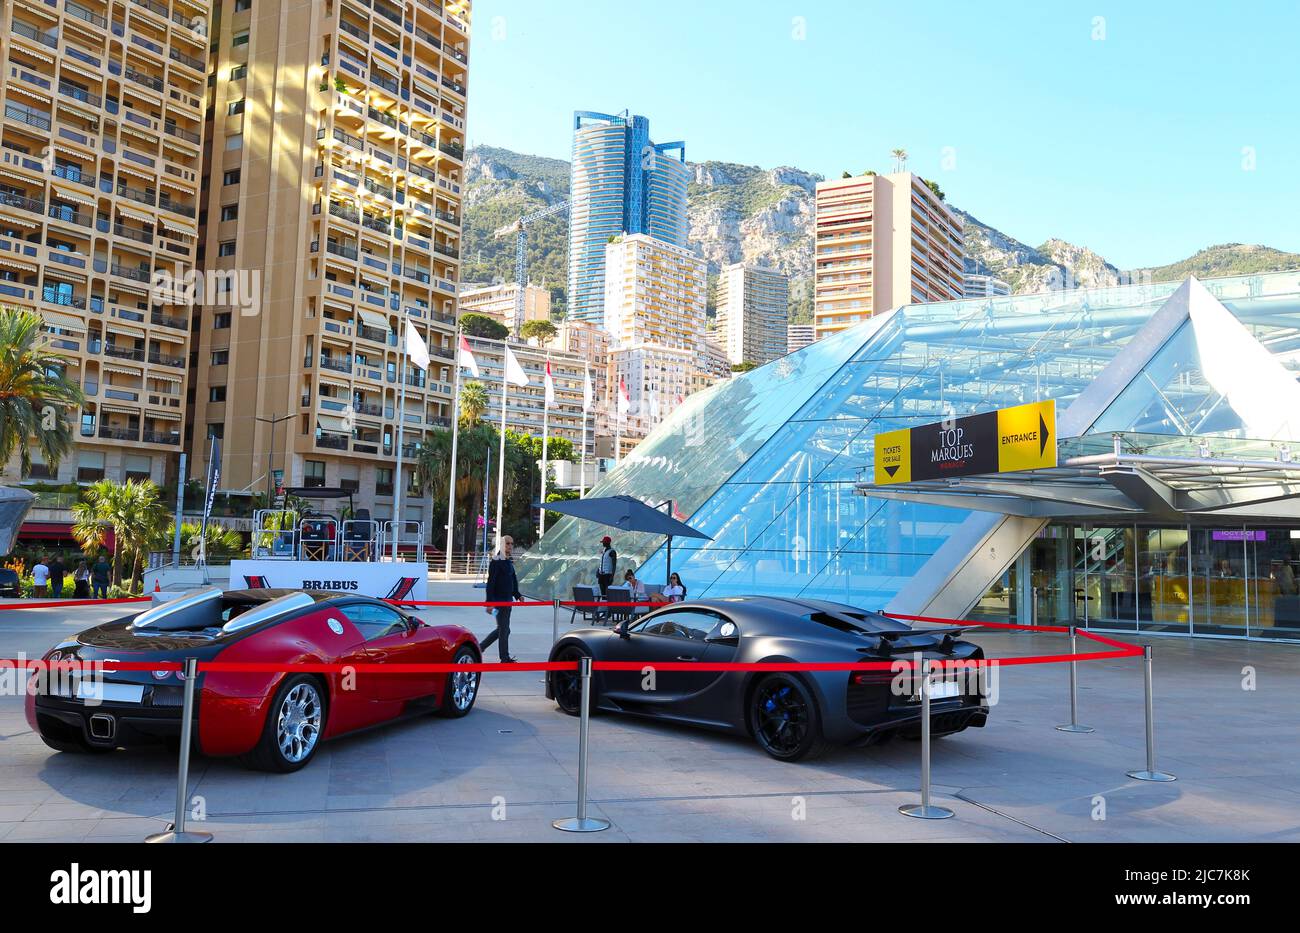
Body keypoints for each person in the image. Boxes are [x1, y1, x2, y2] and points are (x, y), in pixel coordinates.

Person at [482, 535, 523, 663]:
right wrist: (489, 603)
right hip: (498, 602)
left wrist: (517, 595)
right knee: (504, 629)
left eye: (511, 543)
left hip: (508, 601)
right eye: (507, 543)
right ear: (501, 545)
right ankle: (504, 657)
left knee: (503, 629)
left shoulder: (508, 561)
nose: (510, 546)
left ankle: (480, 647)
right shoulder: (496, 561)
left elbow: (513, 580)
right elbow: (491, 583)